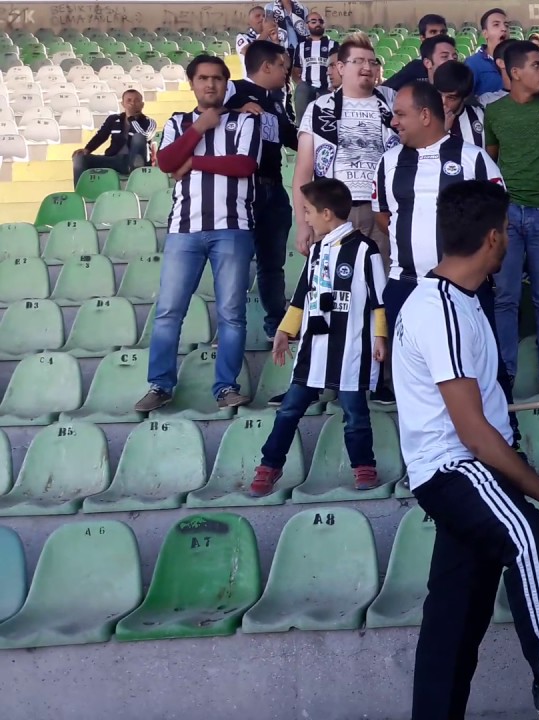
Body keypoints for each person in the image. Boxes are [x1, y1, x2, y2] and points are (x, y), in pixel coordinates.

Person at [396, 179, 539, 720]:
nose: (507, 238)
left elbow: (480, 411)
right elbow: (475, 434)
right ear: (490, 238)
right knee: (533, 544)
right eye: (505, 230)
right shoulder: (441, 309)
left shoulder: (462, 301)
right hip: (457, 468)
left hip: (470, 466)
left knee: (454, 619)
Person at [134, 55, 262, 413]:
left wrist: (195, 163)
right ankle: (160, 385)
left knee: (232, 314)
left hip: (233, 228)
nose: (210, 85)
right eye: (203, 78)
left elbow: (244, 165)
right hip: (183, 230)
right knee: (168, 312)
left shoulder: (244, 120)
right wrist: (199, 128)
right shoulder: (177, 122)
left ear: (226, 84)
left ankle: (226, 387)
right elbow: (165, 162)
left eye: (217, 79)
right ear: (192, 83)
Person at [251, 178, 388, 496]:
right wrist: (286, 329)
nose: (306, 218)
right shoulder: (316, 251)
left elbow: (379, 299)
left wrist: (380, 337)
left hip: (351, 347)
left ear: (327, 213)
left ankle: (363, 467)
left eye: (308, 211)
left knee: (355, 412)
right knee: (289, 409)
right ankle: (269, 466)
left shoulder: (365, 250)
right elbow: (302, 296)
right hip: (315, 348)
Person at [375, 80, 501, 353]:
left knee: (479, 369)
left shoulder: (474, 159)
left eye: (400, 114)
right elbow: (383, 216)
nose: (393, 122)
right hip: (405, 285)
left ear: (425, 115)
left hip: (463, 288)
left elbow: (498, 224)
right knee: (411, 374)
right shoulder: (388, 161)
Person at [486, 41, 539, 393]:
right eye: (536, 65)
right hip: (507, 215)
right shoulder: (495, 113)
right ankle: (505, 373)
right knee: (505, 297)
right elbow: (490, 164)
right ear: (514, 71)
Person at [294, 33, 397, 259]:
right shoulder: (319, 108)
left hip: (381, 211)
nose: (367, 67)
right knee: (333, 286)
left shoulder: (391, 103)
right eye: (358, 61)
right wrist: (303, 224)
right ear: (340, 67)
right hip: (332, 214)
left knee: (380, 283)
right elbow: (303, 172)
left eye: (372, 62)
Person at [226, 41, 299, 341]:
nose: (286, 71)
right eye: (282, 66)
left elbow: (292, 138)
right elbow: (204, 115)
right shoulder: (233, 89)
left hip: (273, 190)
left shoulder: (278, 101)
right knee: (232, 264)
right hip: (242, 191)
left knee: (273, 264)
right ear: (267, 66)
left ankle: (275, 325)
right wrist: (236, 110)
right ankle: (230, 329)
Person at [73, 89, 156, 186]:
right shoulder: (113, 119)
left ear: (142, 104)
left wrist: (131, 118)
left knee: (138, 137)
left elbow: (144, 136)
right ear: (123, 104)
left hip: (135, 160)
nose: (133, 103)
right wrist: (87, 149)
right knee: (80, 158)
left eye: (137, 100)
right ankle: (80, 193)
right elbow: (101, 136)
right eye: (129, 100)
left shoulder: (149, 122)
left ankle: (135, 170)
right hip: (114, 159)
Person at [291, 12, 334, 119]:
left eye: (321, 21)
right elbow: (296, 70)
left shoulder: (333, 45)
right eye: (313, 21)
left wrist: (333, 86)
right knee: (301, 90)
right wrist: (300, 83)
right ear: (307, 25)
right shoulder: (301, 47)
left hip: (326, 87)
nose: (318, 24)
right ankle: (300, 128)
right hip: (307, 87)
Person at [434, 61, 486, 147]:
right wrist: (442, 131)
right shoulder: (422, 119)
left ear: (465, 97)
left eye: (450, 98)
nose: (443, 102)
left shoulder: (482, 117)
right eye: (439, 94)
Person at [384, 35, 458, 90]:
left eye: (455, 57)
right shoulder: (413, 94)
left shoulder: (465, 87)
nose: (452, 60)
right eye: (445, 56)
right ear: (427, 63)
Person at [466, 8, 509, 97]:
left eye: (506, 25)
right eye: (496, 25)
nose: (504, 29)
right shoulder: (473, 64)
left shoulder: (518, 59)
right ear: (485, 33)